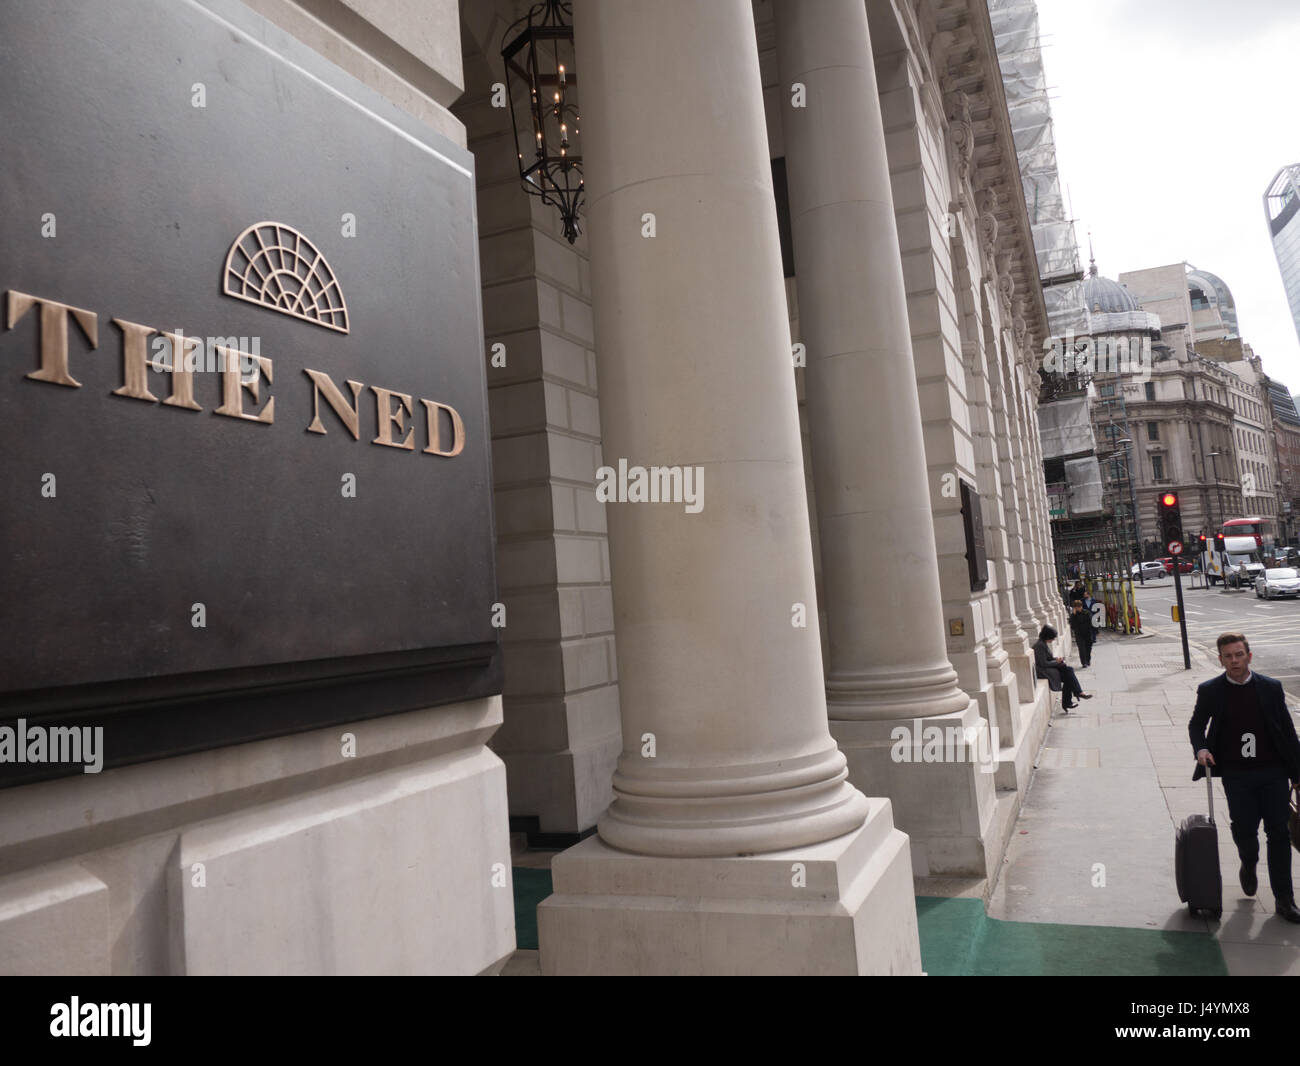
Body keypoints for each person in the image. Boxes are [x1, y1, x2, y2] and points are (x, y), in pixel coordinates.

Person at [1189, 632, 1300, 923]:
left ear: (1249, 656)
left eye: (1239, 655)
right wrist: (1201, 748)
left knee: (1279, 834)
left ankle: (1284, 899)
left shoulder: (1271, 688)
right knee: (1245, 832)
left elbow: (1288, 733)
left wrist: (1297, 775)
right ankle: (1248, 863)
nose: (1235, 661)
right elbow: (1197, 724)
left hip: (1273, 772)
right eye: (1228, 656)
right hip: (1237, 775)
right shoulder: (1211, 690)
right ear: (1221, 659)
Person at [1032, 625, 1092, 711]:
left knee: (1069, 674)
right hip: (1043, 670)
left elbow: (1048, 658)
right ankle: (1075, 695)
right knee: (1068, 673)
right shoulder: (1039, 646)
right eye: (1052, 638)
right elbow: (1043, 663)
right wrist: (1057, 662)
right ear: (1047, 636)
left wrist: (1056, 659)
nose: (1053, 640)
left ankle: (1073, 697)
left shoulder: (1043, 643)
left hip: (1047, 667)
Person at [1068, 602, 1094, 667]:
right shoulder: (1073, 615)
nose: (1077, 609)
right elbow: (1072, 624)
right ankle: (1084, 663)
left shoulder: (1087, 612)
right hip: (1079, 634)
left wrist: (1094, 631)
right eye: (1076, 608)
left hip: (1088, 633)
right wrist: (1073, 615)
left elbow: (1091, 622)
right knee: (1081, 648)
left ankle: (1088, 660)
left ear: (1081, 606)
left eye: (1078, 607)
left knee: (1088, 648)